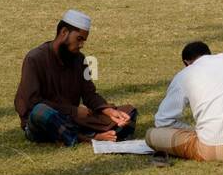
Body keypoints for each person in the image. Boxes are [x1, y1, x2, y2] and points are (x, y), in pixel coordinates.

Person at [14, 10, 137, 146]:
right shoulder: (34, 58)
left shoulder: (80, 60)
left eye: (83, 41)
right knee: (41, 112)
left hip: (71, 119)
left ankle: (80, 133)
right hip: (42, 122)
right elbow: (32, 103)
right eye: (79, 39)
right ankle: (89, 138)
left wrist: (108, 110)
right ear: (64, 32)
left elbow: (89, 94)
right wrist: (74, 111)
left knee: (128, 113)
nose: (81, 45)